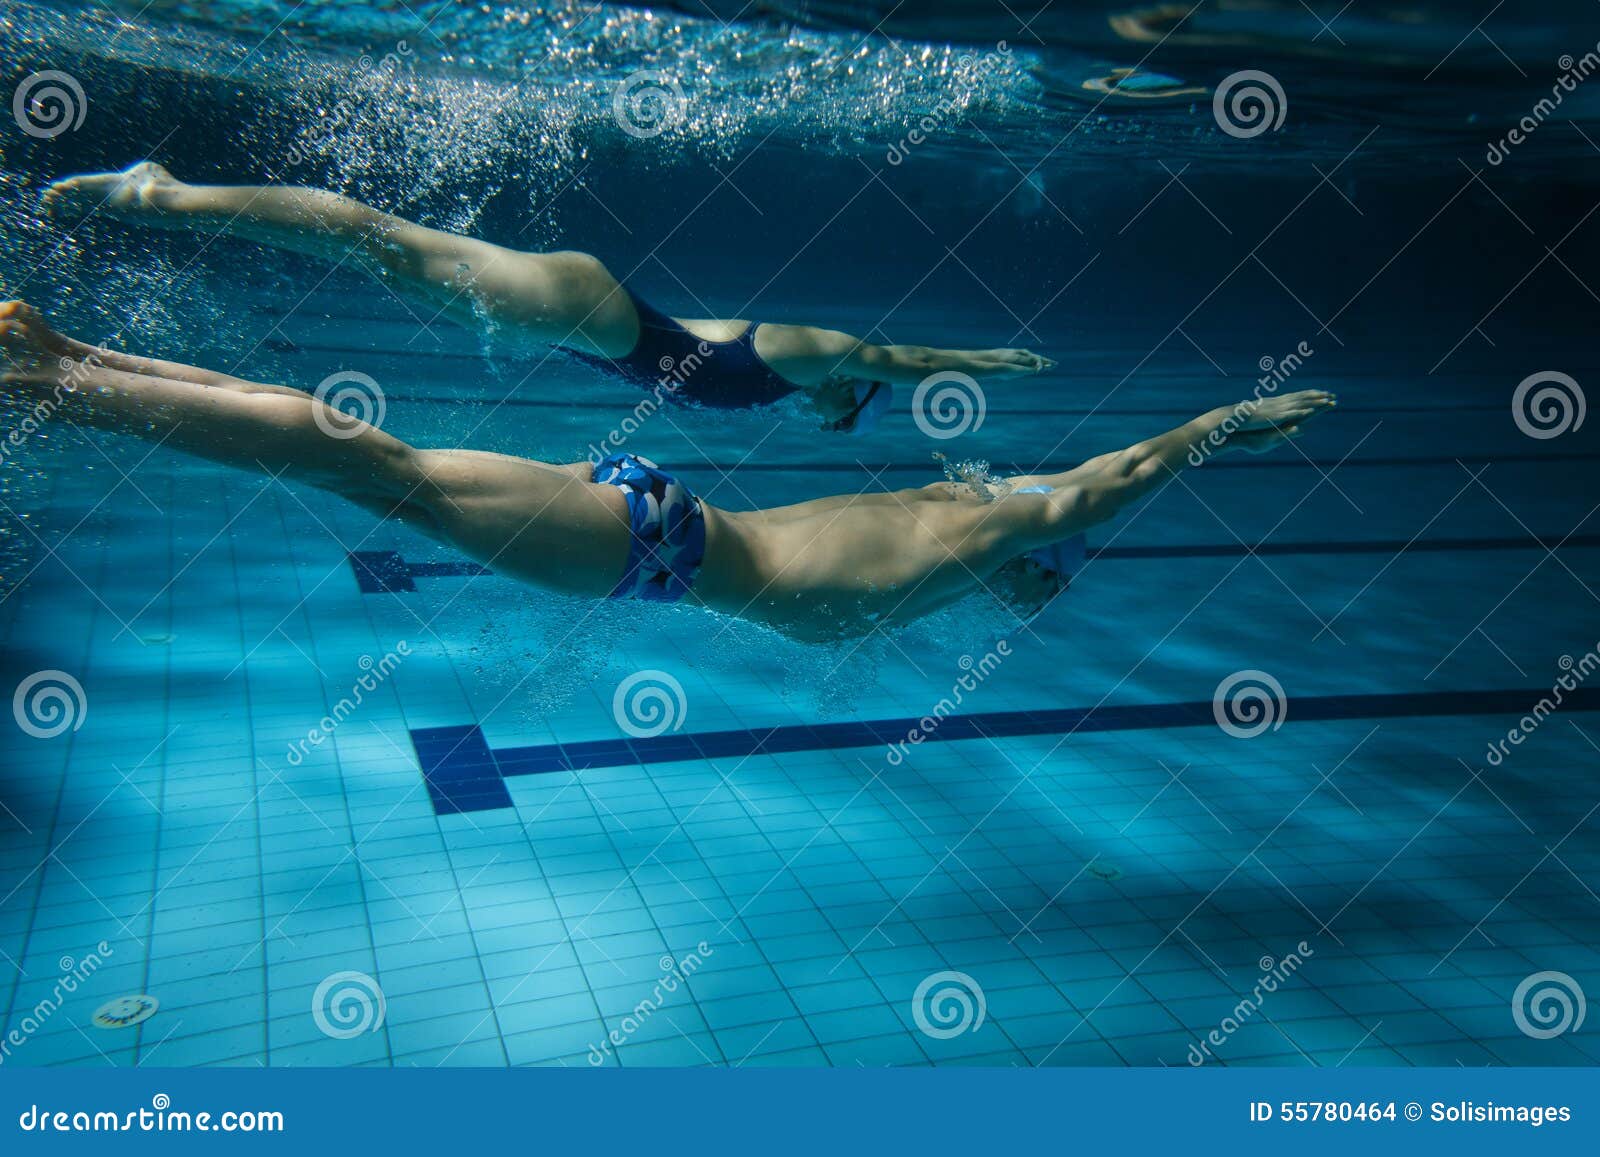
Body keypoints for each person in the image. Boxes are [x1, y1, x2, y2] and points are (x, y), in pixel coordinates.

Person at [0, 300, 1335, 642]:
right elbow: (1107, 484)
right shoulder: (976, 546)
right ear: (1026, 555)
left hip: (660, 519)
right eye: (1036, 576)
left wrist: (1209, 434)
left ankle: (68, 358)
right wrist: (1225, 428)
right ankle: (57, 378)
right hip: (657, 544)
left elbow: (1091, 480)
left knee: (376, 469)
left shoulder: (952, 525)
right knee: (373, 469)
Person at [42, 163, 1055, 436]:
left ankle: (168, 196)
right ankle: (162, 195)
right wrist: (993, 365)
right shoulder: (808, 352)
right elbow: (895, 356)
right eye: (854, 402)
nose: (843, 406)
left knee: (383, 254)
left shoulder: (790, 380)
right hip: (582, 311)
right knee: (378, 248)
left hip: (578, 317)